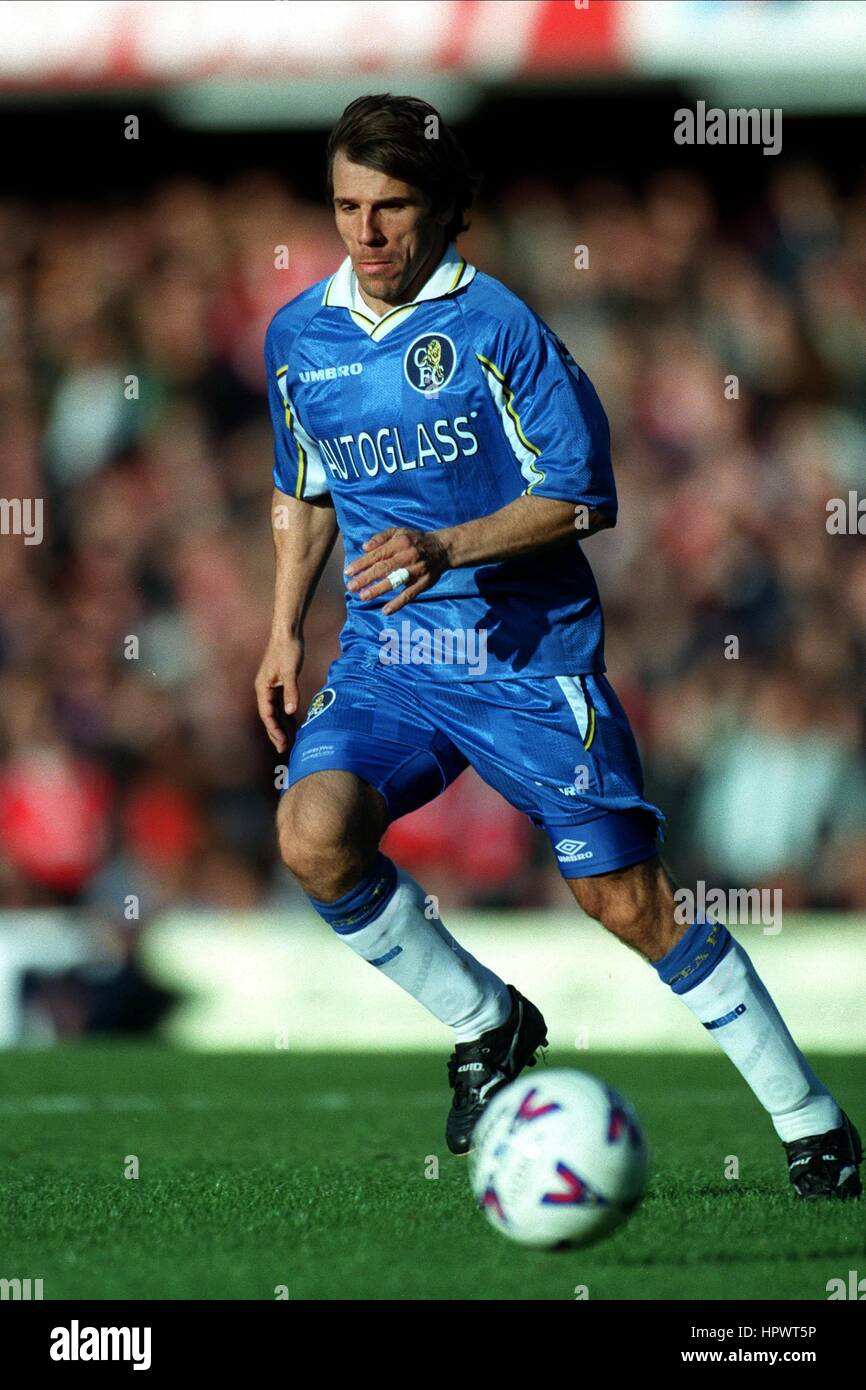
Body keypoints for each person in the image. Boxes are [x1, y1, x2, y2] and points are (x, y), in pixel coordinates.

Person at [255, 94, 860, 1197]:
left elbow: (584, 496)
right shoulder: (297, 336)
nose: (366, 234)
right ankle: (487, 1023)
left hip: (521, 658)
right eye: (345, 206)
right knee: (311, 831)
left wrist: (449, 543)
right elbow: (300, 490)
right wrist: (282, 630)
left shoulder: (499, 328)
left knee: (626, 902)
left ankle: (809, 1119)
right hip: (387, 662)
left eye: (390, 207)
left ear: (442, 208)